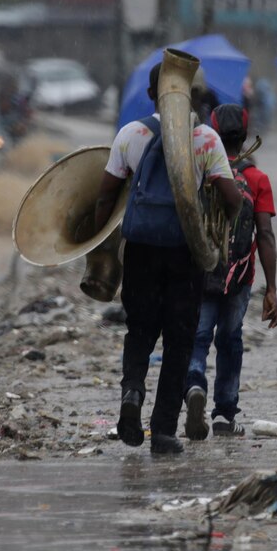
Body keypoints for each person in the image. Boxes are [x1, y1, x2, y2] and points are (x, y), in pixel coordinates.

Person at [93, 64, 242, 455]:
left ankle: (131, 393)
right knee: (179, 341)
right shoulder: (206, 139)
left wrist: (100, 251)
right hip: (185, 251)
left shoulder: (131, 133)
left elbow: (105, 195)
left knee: (139, 332)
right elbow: (231, 199)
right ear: (193, 97)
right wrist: (219, 225)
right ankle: (162, 431)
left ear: (149, 95)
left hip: (141, 249)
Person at [184, 104, 277, 441]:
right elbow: (265, 235)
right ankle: (224, 414)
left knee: (197, 337)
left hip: (201, 272)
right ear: (244, 135)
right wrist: (272, 289)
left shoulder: (198, 174)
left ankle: (195, 382)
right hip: (239, 279)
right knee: (230, 342)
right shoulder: (256, 179)